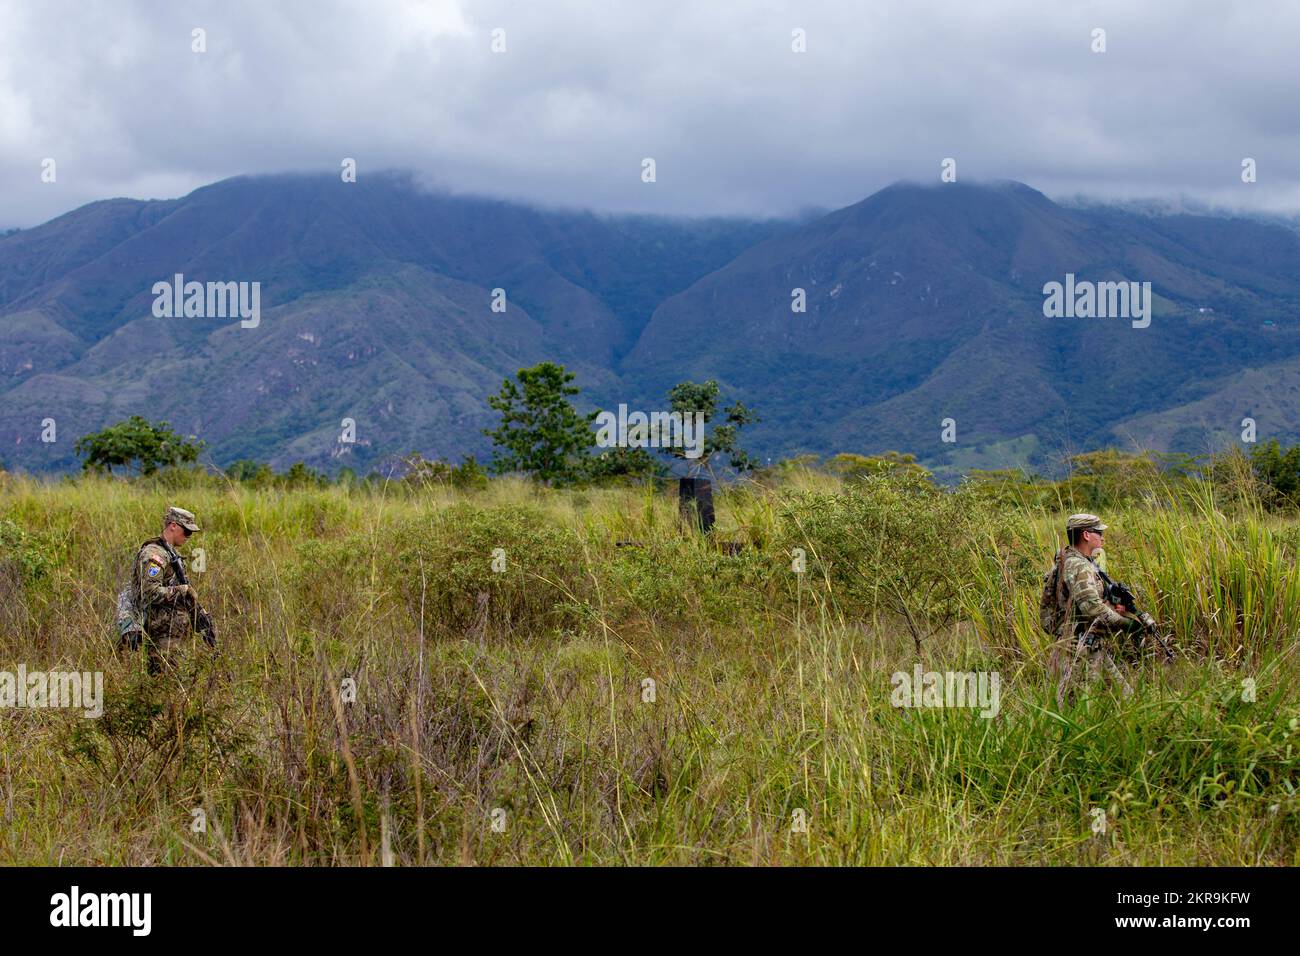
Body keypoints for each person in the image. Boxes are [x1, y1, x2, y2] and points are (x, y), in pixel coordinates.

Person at [1043, 513, 1147, 706]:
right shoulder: (1078, 566)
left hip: (1088, 645)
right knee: (1072, 708)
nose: (1102, 536)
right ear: (1086, 535)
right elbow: (1091, 609)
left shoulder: (1073, 560)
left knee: (1126, 700)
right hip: (1077, 649)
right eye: (1098, 532)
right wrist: (1128, 624)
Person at [130, 506, 215, 674]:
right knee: (163, 680)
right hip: (161, 633)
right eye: (187, 532)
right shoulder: (155, 555)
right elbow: (148, 592)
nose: (189, 537)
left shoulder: (171, 554)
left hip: (173, 633)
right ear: (173, 526)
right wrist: (181, 591)